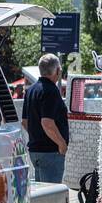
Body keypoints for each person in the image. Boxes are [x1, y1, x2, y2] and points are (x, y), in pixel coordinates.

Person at [23, 53, 69, 184]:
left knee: (41, 196)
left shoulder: (31, 90)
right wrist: (61, 144)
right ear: (58, 70)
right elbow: (47, 123)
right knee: (51, 197)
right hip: (50, 152)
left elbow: (25, 122)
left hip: (35, 150)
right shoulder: (51, 91)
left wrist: (37, 135)